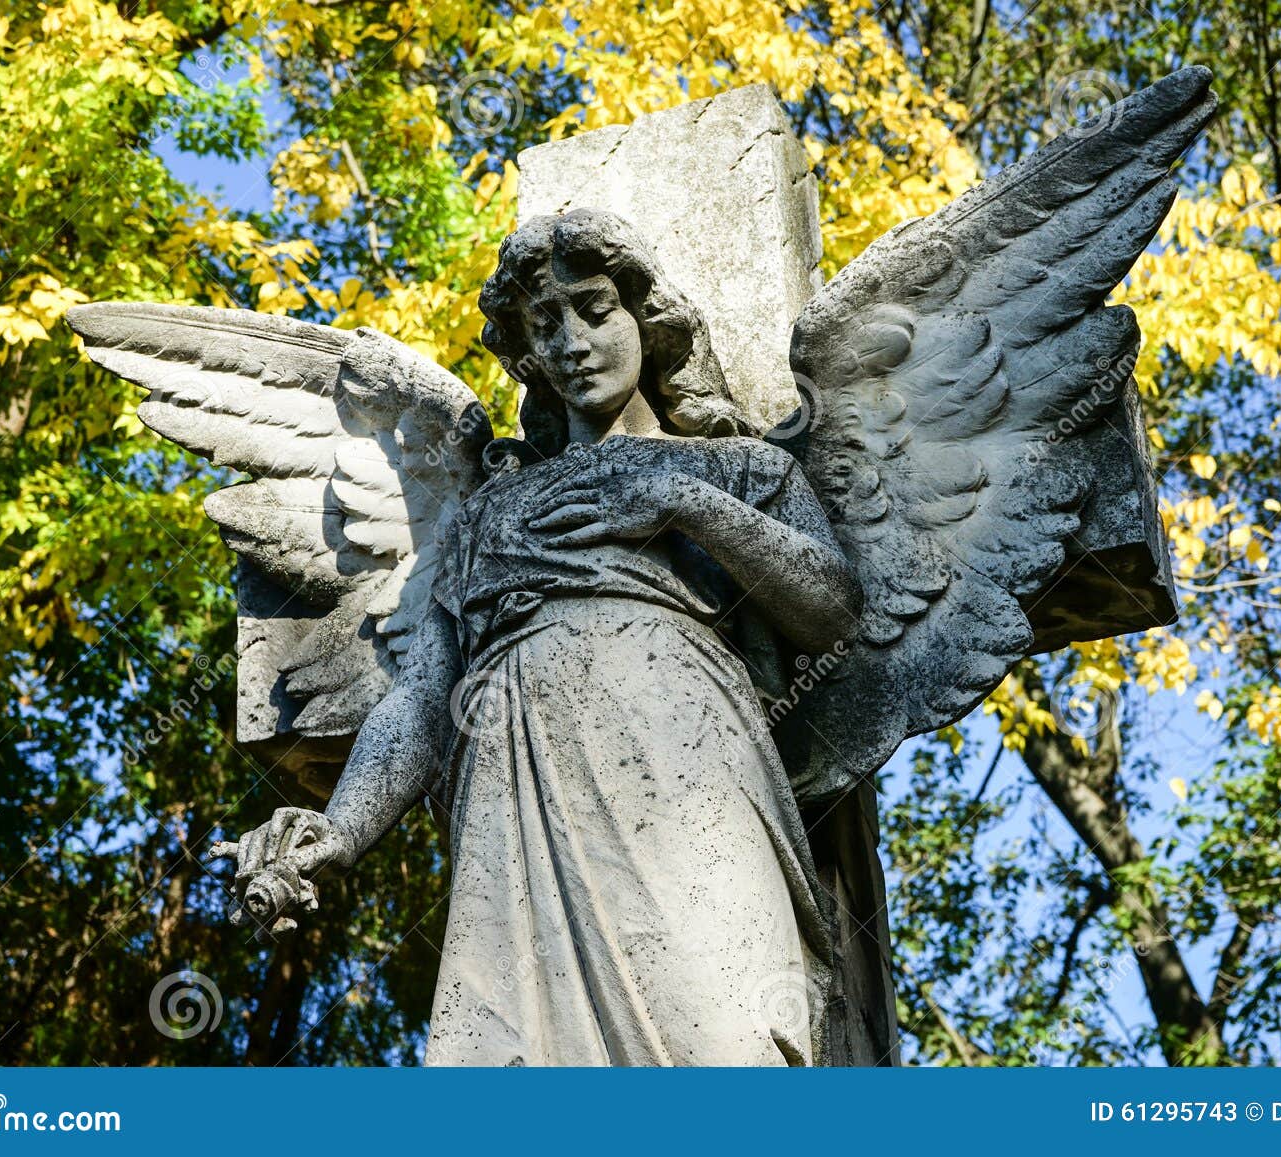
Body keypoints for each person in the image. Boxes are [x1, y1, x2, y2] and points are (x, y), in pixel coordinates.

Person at [218, 208, 861, 1065]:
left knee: (725, 1036)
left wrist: (683, 503)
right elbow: (421, 698)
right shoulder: (492, 507)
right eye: (542, 326)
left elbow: (835, 606)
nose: (572, 342)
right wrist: (339, 828)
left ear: (644, 315)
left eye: (594, 310)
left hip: (689, 771)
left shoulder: (740, 468)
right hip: (517, 782)